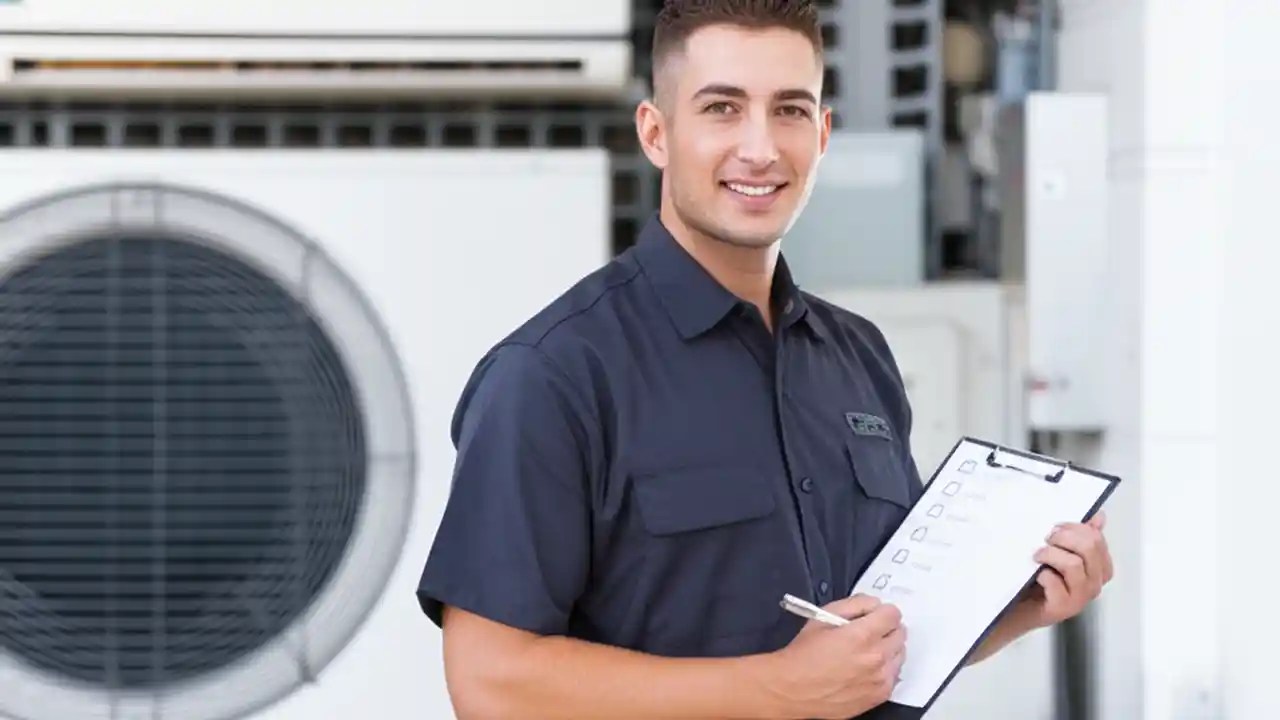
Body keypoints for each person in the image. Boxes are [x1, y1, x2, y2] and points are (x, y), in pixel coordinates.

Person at [415, 1, 1115, 718]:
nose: (761, 149)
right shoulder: (554, 375)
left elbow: (876, 645)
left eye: (789, 111)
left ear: (823, 134)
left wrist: (1018, 606)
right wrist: (781, 687)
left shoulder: (857, 356)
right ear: (656, 133)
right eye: (722, 108)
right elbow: (491, 682)